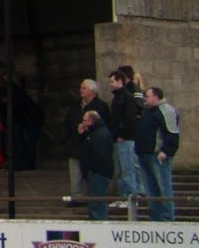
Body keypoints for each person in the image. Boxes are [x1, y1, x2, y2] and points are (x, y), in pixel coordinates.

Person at [135, 87, 179, 222]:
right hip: (144, 154)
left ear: (156, 97)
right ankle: (155, 217)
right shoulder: (147, 112)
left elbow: (173, 133)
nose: (145, 99)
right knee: (150, 189)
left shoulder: (166, 111)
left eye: (147, 96)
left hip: (157, 156)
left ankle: (167, 218)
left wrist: (166, 151)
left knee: (163, 187)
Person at [66, 80, 110, 204]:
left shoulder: (100, 106)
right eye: (81, 87)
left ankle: (92, 196)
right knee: (75, 172)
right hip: (75, 143)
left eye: (84, 88)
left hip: (91, 144)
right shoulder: (75, 106)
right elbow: (68, 123)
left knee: (91, 172)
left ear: (92, 91)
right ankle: (77, 196)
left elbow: (103, 125)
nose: (81, 90)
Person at [108, 68, 144, 201]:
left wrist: (122, 135)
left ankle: (130, 199)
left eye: (112, 81)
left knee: (127, 170)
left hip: (126, 140)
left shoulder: (126, 97)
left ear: (120, 81)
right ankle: (124, 197)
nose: (110, 84)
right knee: (121, 171)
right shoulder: (118, 98)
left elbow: (130, 119)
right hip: (119, 139)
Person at [76, 109, 114, 221]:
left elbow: (100, 155)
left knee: (98, 202)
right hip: (93, 172)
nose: (82, 122)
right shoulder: (92, 133)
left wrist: (91, 168)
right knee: (94, 202)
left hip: (98, 173)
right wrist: (82, 135)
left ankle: (100, 223)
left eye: (84, 120)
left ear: (91, 121)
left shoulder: (101, 134)